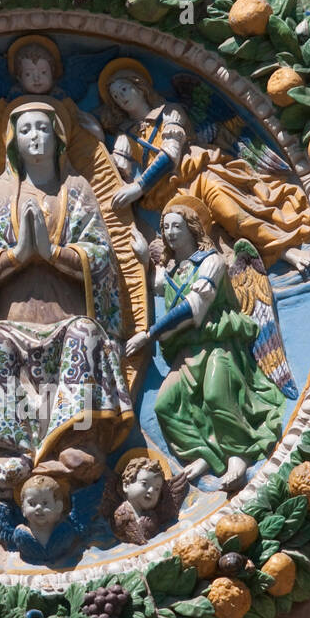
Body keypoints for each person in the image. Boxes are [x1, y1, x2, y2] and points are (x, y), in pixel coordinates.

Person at [0, 99, 133, 475]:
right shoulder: (0, 195)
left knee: (86, 333)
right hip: (11, 322)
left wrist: (54, 254)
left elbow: (102, 255)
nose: (35, 137)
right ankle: (5, 448)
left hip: (66, 318)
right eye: (25, 130)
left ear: (58, 137)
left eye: (42, 128)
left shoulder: (76, 190)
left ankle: (76, 440)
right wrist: (18, 255)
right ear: (14, 142)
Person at [126, 196, 286, 491]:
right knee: (165, 405)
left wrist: (149, 335)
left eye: (177, 226)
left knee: (216, 396)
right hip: (187, 351)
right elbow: (159, 285)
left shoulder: (212, 263)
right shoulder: (173, 269)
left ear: (192, 229)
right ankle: (204, 453)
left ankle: (238, 455)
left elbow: (194, 308)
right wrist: (145, 259)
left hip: (216, 344)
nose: (170, 233)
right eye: (166, 227)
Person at [98, 58, 310, 272]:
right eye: (115, 96)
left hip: (199, 174)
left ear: (140, 87)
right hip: (171, 195)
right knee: (199, 245)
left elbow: (171, 155)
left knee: (230, 212)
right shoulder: (125, 136)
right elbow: (118, 172)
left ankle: (283, 250)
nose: (121, 97)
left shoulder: (170, 112)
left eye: (124, 89)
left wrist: (138, 187)